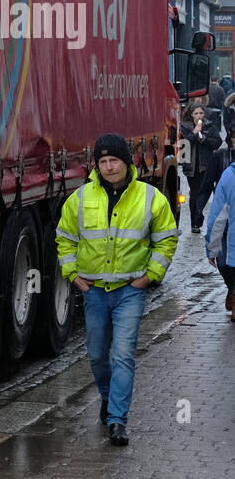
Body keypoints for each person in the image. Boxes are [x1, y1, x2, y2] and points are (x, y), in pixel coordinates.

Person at [56, 134, 177, 447]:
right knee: (97, 355)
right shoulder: (80, 199)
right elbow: (65, 238)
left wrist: (150, 275)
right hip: (94, 291)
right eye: (103, 162)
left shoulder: (151, 198)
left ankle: (118, 421)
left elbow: (166, 238)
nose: (109, 167)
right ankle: (109, 398)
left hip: (129, 291)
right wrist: (72, 275)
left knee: (123, 354)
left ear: (127, 161)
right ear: (96, 164)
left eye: (114, 161)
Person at [180, 104, 221, 233]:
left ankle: (198, 218)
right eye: (196, 114)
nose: (199, 116)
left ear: (204, 114)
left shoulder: (209, 127)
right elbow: (183, 145)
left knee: (202, 193)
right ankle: (195, 222)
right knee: (194, 193)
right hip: (190, 166)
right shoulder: (185, 127)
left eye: (201, 113)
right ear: (191, 115)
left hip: (206, 166)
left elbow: (217, 142)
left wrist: (204, 140)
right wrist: (194, 133)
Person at [205, 160, 235, 320]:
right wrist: (212, 247)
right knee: (225, 265)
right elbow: (217, 218)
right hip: (228, 235)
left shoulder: (229, 175)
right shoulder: (229, 176)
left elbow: (217, 217)